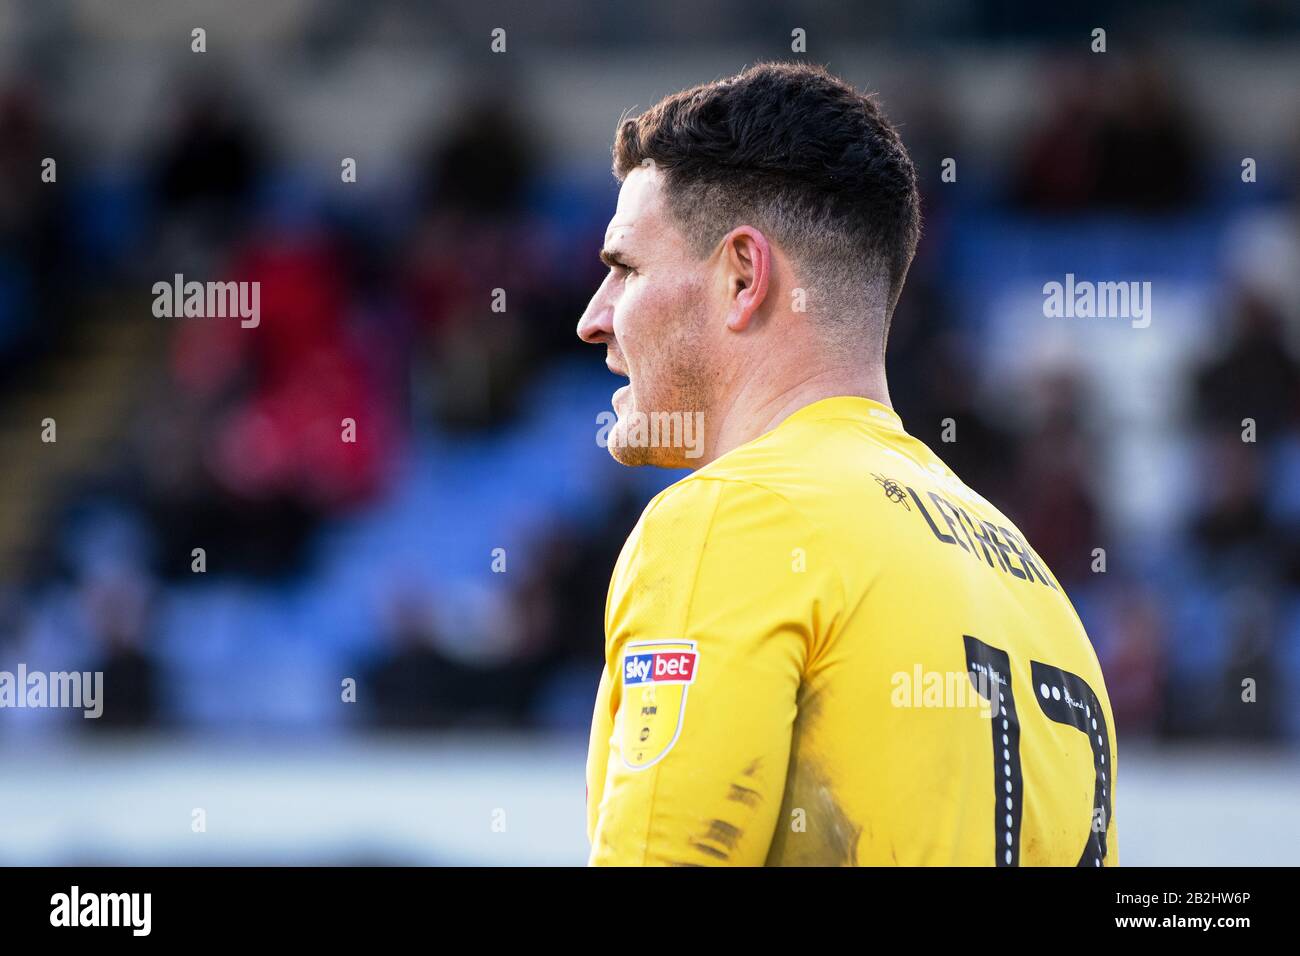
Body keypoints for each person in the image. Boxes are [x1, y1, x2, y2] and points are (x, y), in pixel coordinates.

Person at [576, 62, 1118, 866]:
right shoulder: (1036, 588)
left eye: (625, 269)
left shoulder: (733, 518)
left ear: (742, 277)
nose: (595, 320)